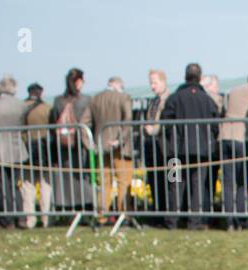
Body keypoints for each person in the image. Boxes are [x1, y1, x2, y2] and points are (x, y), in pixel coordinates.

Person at [161, 62, 218, 229]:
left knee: (175, 184)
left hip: (176, 150)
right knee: (198, 186)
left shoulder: (174, 98)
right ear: (200, 78)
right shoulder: (207, 100)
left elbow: (166, 121)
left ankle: (172, 221)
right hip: (201, 151)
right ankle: (195, 222)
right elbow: (215, 124)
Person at [0, 75, 29, 227]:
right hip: (16, 149)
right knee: (16, 185)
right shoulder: (21, 105)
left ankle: (6, 220)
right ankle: (21, 217)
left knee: (2, 187)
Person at [221, 71, 248, 228]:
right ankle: (241, 219)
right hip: (242, 138)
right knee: (242, 182)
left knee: (227, 181)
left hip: (225, 136)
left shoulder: (233, 90)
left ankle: (228, 220)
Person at [89, 76, 134, 217]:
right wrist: (119, 140)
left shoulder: (95, 99)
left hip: (101, 147)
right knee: (123, 182)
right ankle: (124, 215)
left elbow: (84, 122)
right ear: (118, 85)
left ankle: (102, 216)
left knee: (104, 183)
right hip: (120, 148)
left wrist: (91, 144)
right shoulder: (124, 98)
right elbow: (128, 121)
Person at [50, 67, 92, 213]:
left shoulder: (58, 101)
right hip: (81, 143)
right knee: (82, 175)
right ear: (78, 82)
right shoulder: (85, 100)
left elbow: (53, 121)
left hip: (63, 144)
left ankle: (67, 206)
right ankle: (85, 204)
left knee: (66, 177)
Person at [22, 83, 52, 227]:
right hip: (44, 149)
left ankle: (30, 219)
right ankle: (46, 217)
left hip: (25, 148)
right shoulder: (46, 108)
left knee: (28, 185)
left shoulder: (21, 107)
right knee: (45, 184)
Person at [142, 69, 170, 225]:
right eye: (151, 83)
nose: (152, 86)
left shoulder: (168, 100)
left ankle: (165, 213)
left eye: (155, 82)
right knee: (154, 180)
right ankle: (157, 211)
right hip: (152, 145)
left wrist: (154, 129)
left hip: (164, 146)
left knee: (169, 180)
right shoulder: (153, 101)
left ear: (163, 81)